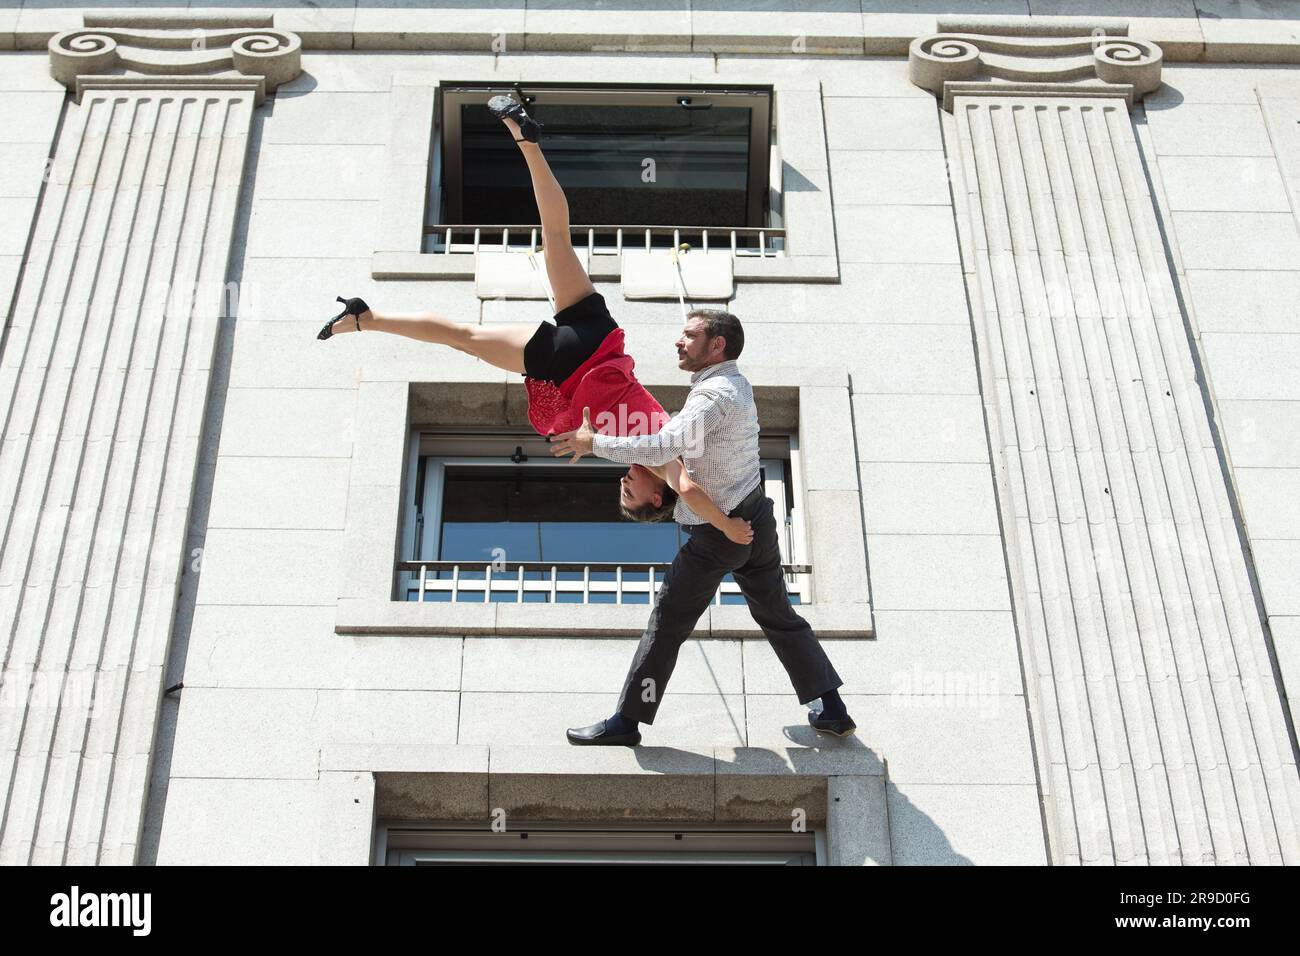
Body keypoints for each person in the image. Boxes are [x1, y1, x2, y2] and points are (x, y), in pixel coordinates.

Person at [316, 95, 752, 546]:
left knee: (555, 241)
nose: (624, 486)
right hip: (573, 361)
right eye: (633, 498)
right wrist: (728, 527)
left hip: (598, 339)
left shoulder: (633, 448)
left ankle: (526, 141)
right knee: (464, 335)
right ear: (657, 498)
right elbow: (691, 493)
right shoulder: (670, 460)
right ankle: (367, 320)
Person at [550, 308, 857, 746]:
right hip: (757, 516)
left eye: (689, 336)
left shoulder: (713, 396)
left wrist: (593, 442)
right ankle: (831, 707)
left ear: (717, 346)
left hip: (722, 532)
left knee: (667, 622)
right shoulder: (734, 385)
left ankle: (626, 723)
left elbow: (664, 445)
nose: (679, 341)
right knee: (778, 615)